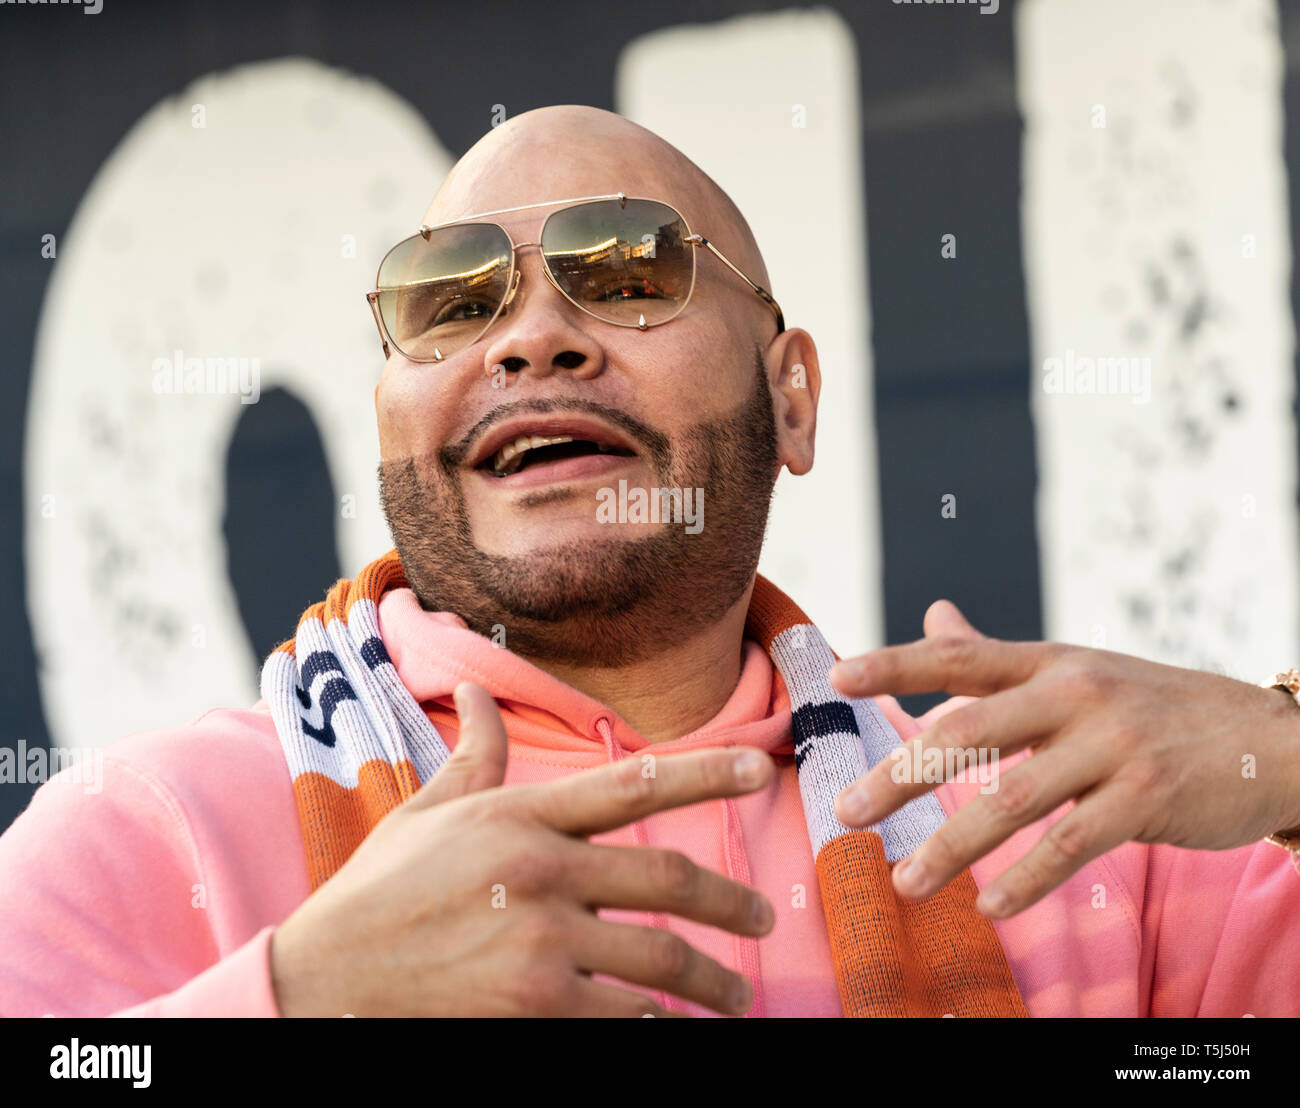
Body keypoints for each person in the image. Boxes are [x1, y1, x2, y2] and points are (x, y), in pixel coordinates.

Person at [2, 105, 1298, 1018]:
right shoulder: (146, 832)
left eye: (625, 274)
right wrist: (295, 1000)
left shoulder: (1075, 840)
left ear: (792, 397)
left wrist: (1282, 751)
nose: (532, 339)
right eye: (451, 305)